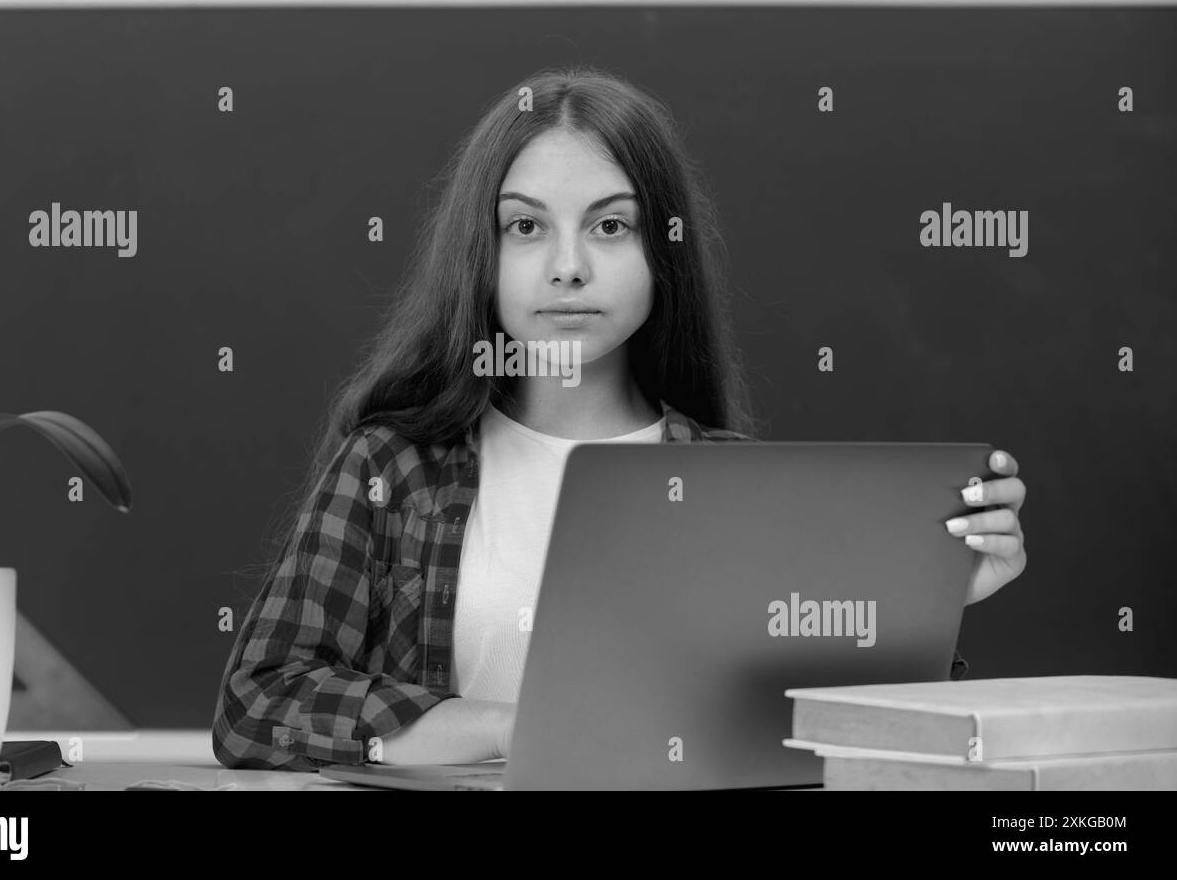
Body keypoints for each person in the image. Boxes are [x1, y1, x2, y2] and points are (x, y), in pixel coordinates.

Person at [211, 66, 1028, 771]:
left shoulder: (730, 481)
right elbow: (259, 702)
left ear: (659, 252)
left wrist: (934, 599)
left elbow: (849, 733)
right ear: (482, 256)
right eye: (526, 226)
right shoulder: (392, 465)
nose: (569, 268)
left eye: (610, 225)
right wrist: (512, 728)